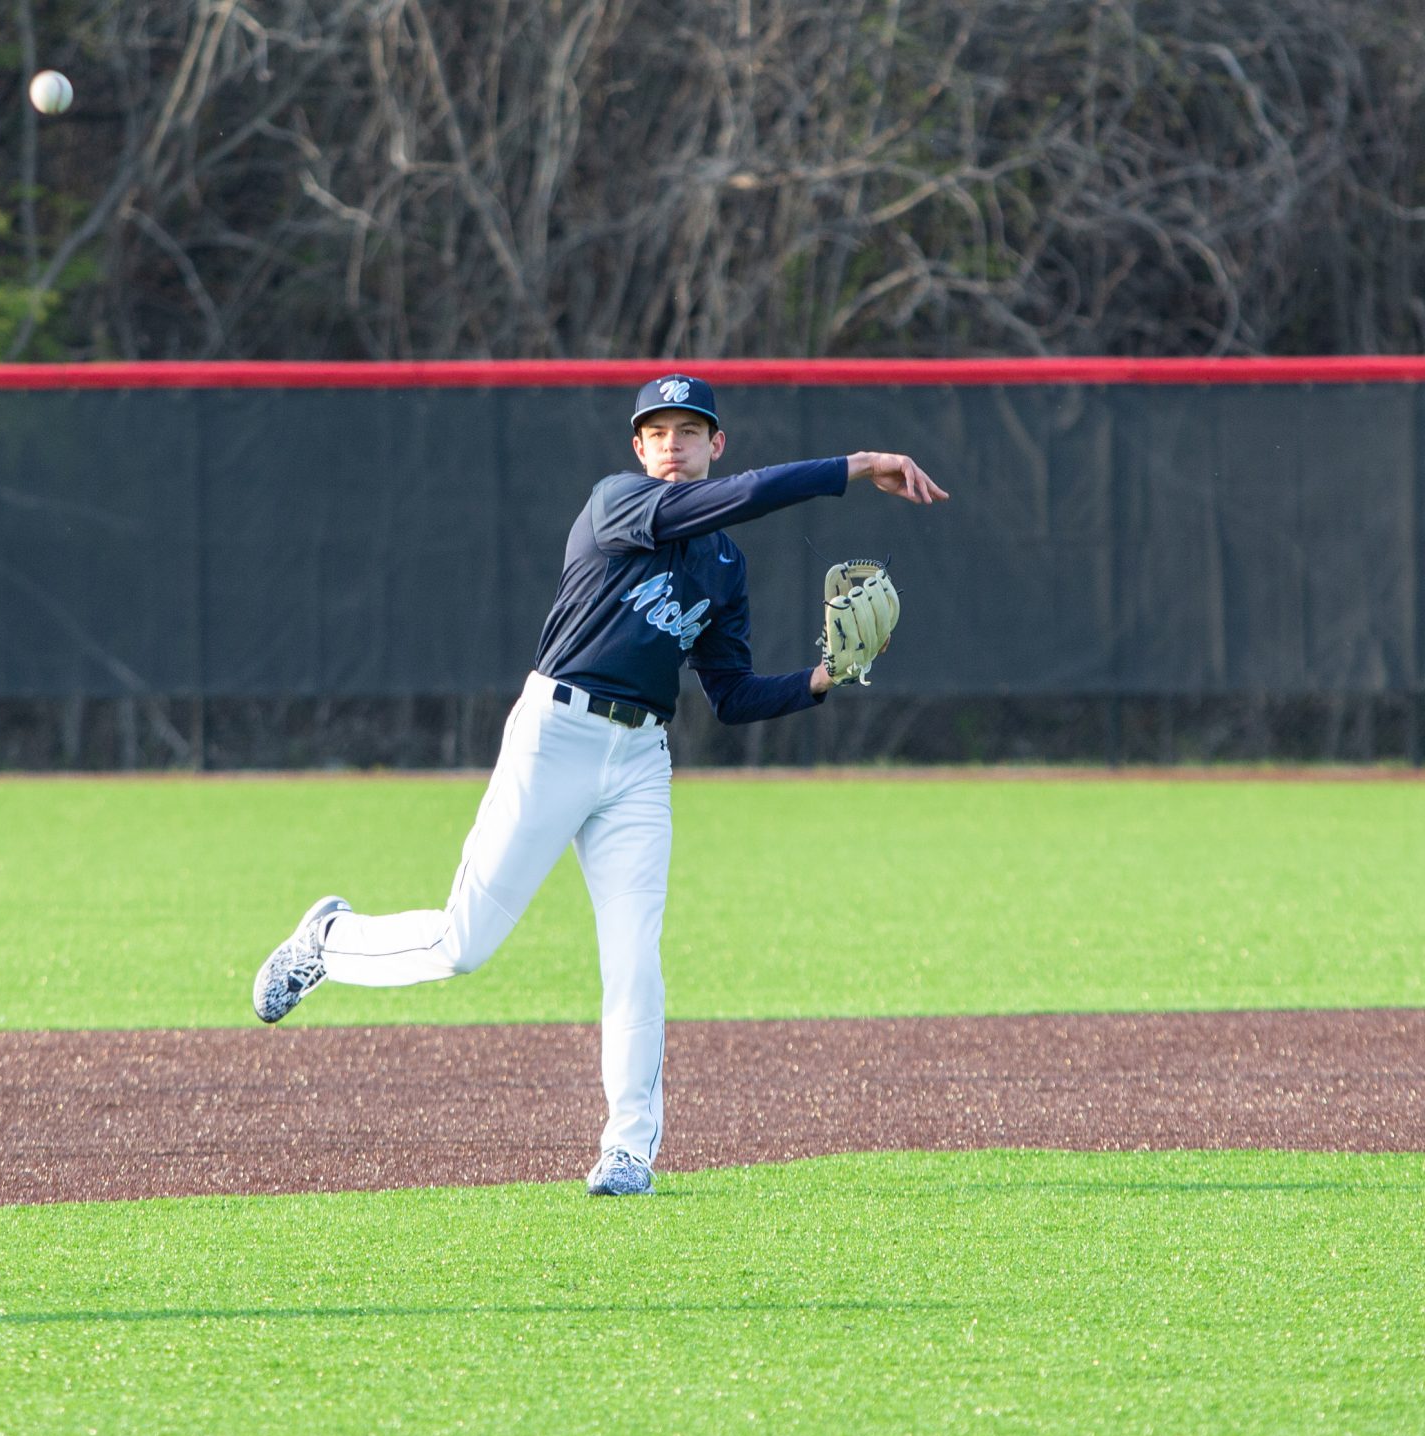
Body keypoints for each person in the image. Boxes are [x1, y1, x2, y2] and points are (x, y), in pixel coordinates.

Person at [250, 374, 948, 1197]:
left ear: (715, 443)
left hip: (641, 761)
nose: (673, 444)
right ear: (638, 448)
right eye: (658, 430)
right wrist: (856, 464)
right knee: (461, 945)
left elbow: (731, 697)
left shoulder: (725, 568)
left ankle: (628, 1150)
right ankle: (328, 941)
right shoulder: (618, 503)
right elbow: (741, 498)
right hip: (557, 735)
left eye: (691, 430)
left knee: (634, 959)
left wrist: (825, 679)